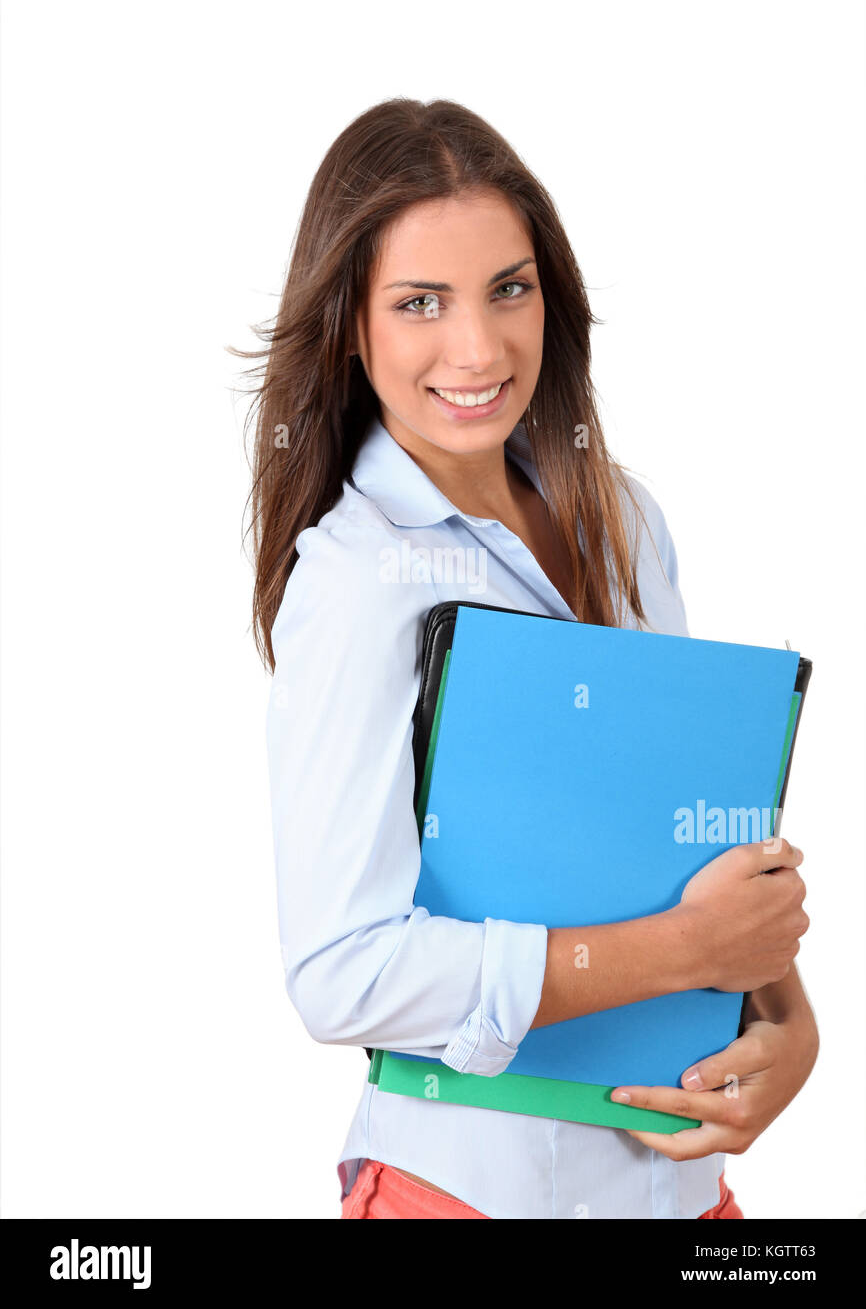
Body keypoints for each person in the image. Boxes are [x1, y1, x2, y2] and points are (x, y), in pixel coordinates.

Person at [237, 97, 818, 1219]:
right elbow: (339, 972)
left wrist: (785, 1023)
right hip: (471, 1192)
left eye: (509, 287)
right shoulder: (359, 578)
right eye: (419, 304)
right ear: (352, 331)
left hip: (681, 1192)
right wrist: (672, 950)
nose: (479, 348)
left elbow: (678, 825)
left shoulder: (622, 518)